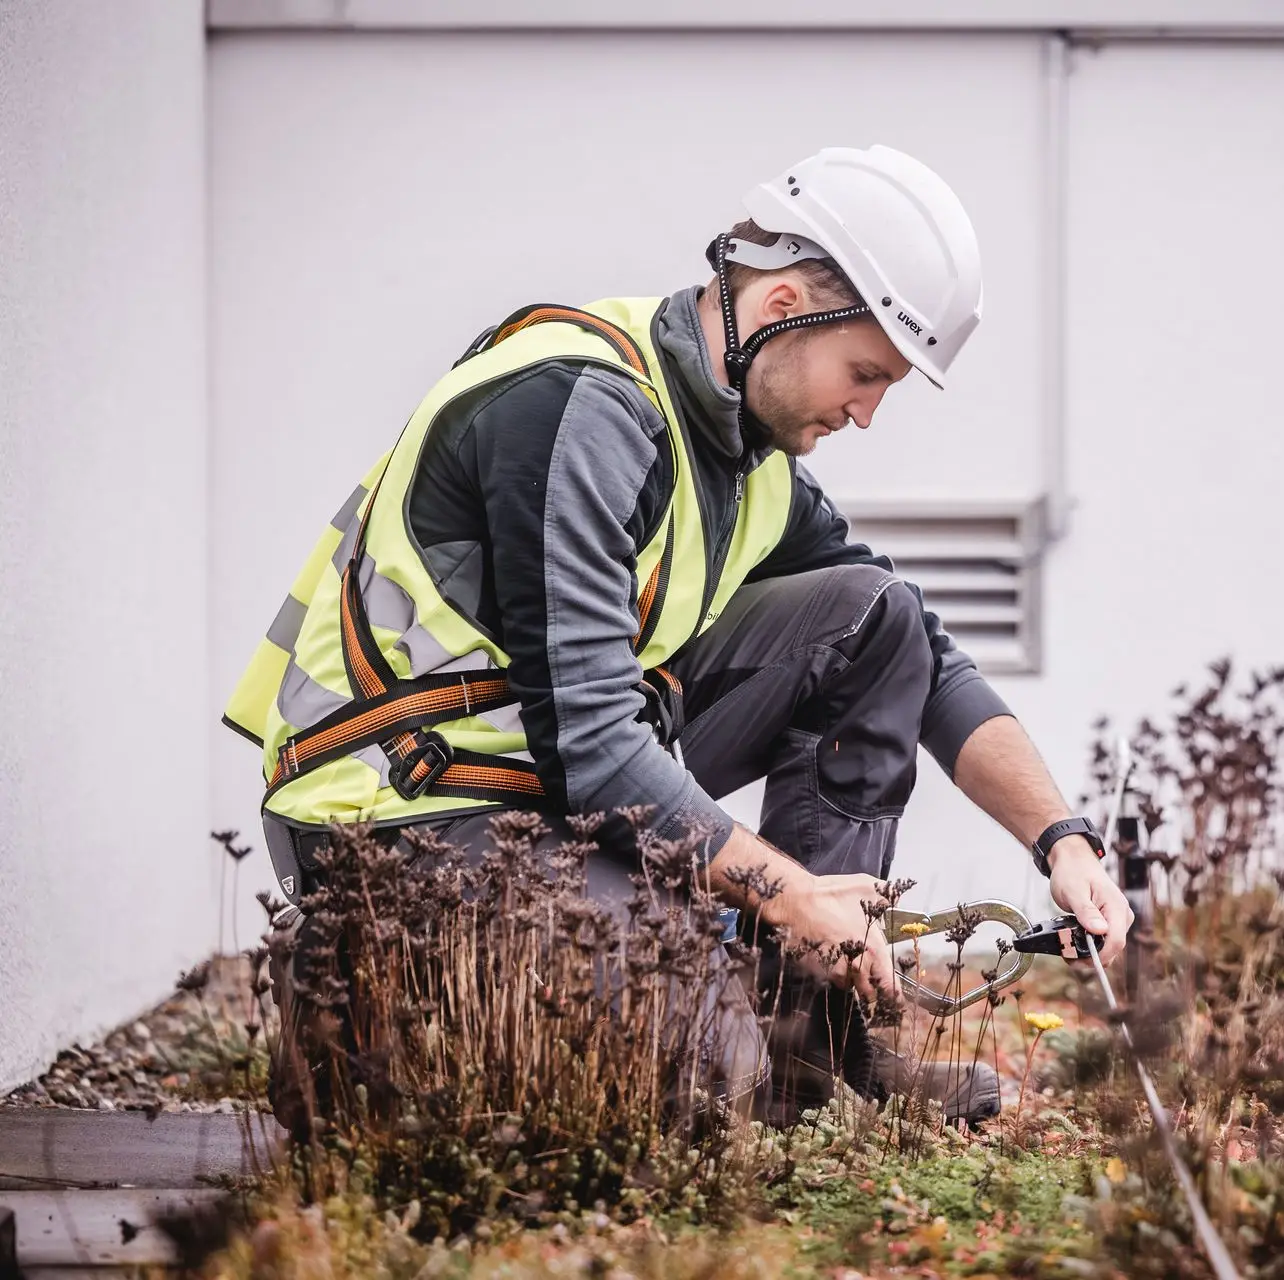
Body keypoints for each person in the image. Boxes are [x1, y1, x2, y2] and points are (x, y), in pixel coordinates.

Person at [223, 143, 1133, 1124]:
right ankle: (360, 1001)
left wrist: (1061, 840)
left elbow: (929, 662)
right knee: (701, 1075)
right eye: (866, 372)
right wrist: (790, 894)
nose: (868, 412)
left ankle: (811, 1046)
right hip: (406, 816)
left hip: (538, 793)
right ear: (780, 306)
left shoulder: (747, 462)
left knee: (877, 618)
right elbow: (594, 747)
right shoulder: (578, 408)